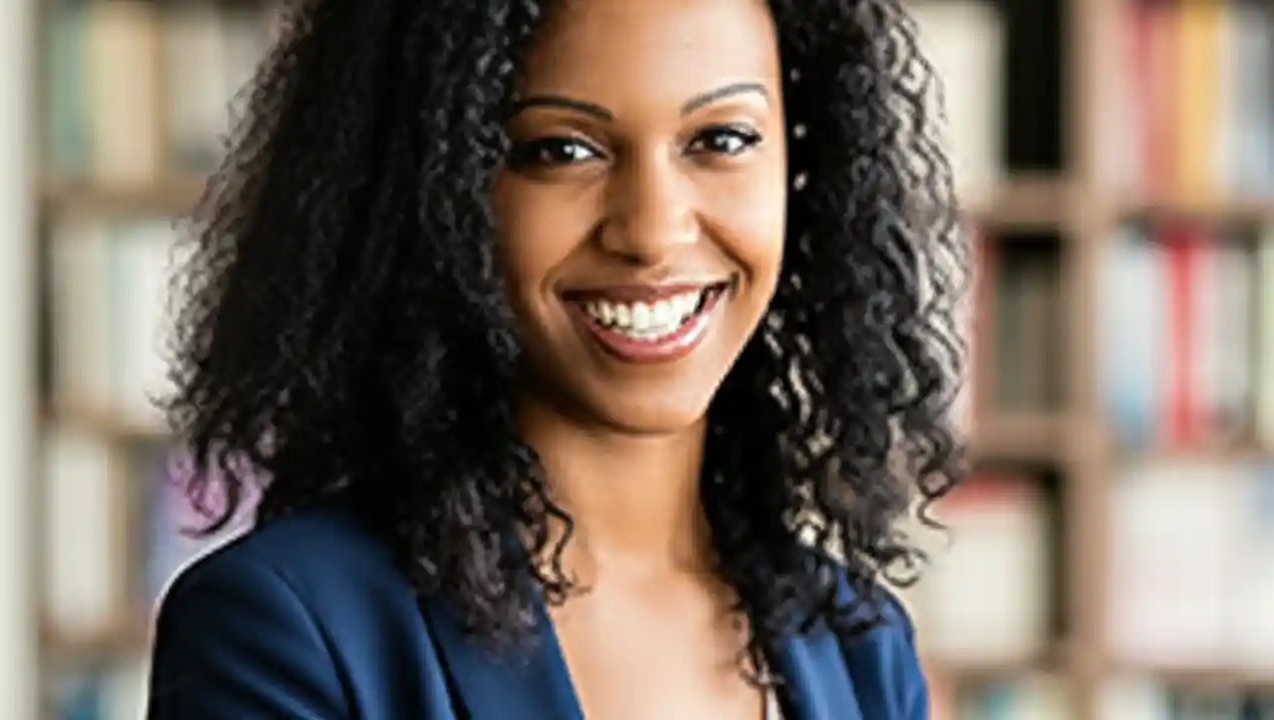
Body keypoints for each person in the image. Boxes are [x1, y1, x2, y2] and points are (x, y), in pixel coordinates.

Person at [146, 0, 968, 718]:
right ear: (435, 189)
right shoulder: (284, 628)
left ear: (805, 170)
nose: (651, 232)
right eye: (561, 150)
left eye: (721, 139)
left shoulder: (862, 650)